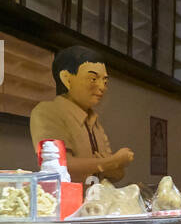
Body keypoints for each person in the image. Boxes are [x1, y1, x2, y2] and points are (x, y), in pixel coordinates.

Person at [29, 45, 134, 183]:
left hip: (98, 201)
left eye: (105, 81)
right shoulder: (47, 112)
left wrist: (108, 163)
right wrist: (112, 162)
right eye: (93, 79)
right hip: (67, 201)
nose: (102, 87)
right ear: (67, 79)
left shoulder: (95, 123)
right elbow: (59, 166)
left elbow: (117, 174)